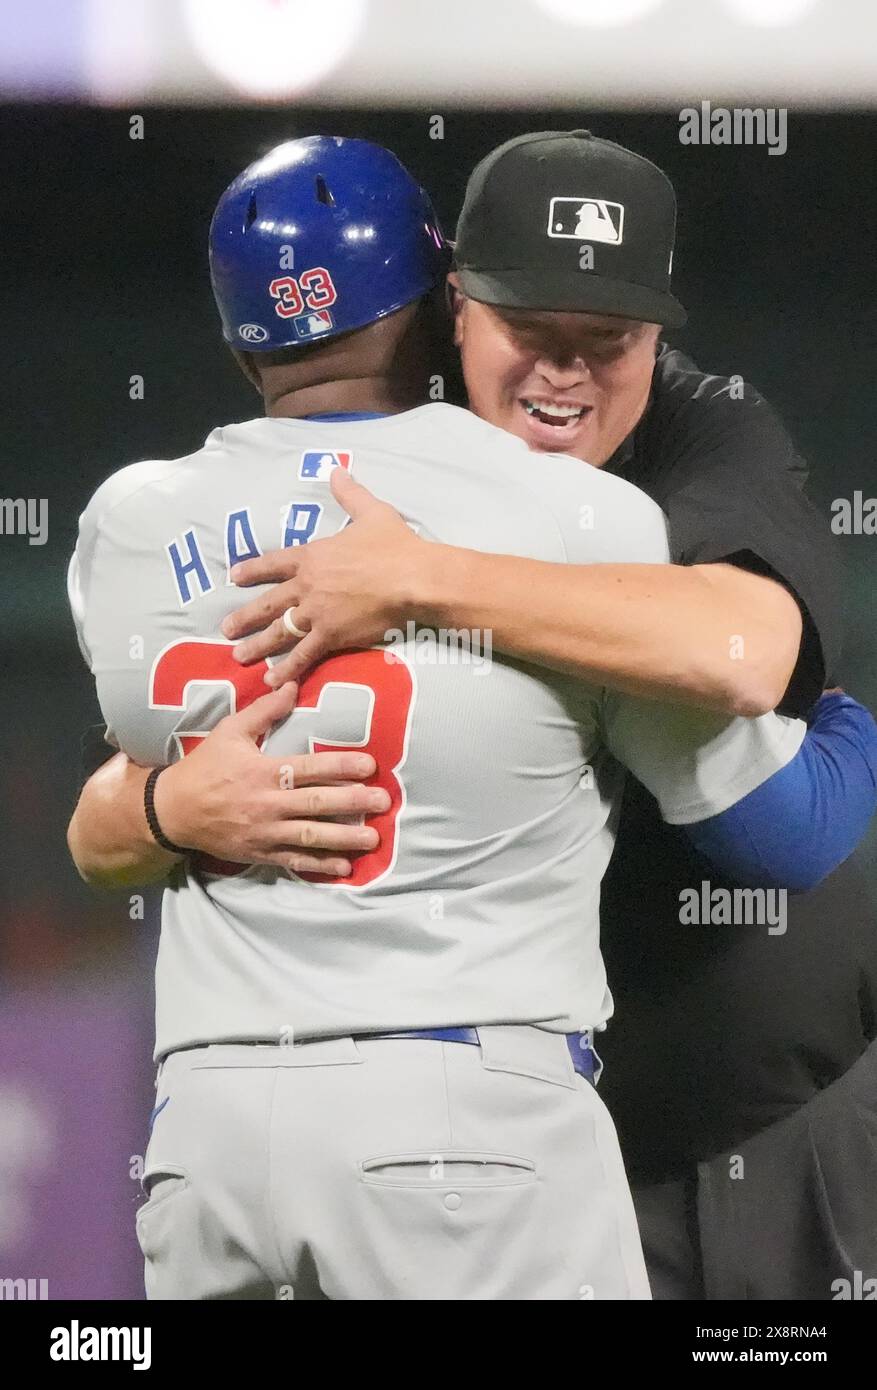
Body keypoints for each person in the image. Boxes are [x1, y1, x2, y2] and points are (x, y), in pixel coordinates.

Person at [66, 136, 875, 1302]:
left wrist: (157, 799)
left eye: (608, 339)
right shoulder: (577, 516)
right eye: (528, 326)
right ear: (440, 304)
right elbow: (778, 826)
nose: (565, 370)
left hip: (208, 1138)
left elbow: (103, 827)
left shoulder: (132, 519)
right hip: (467, 1117)